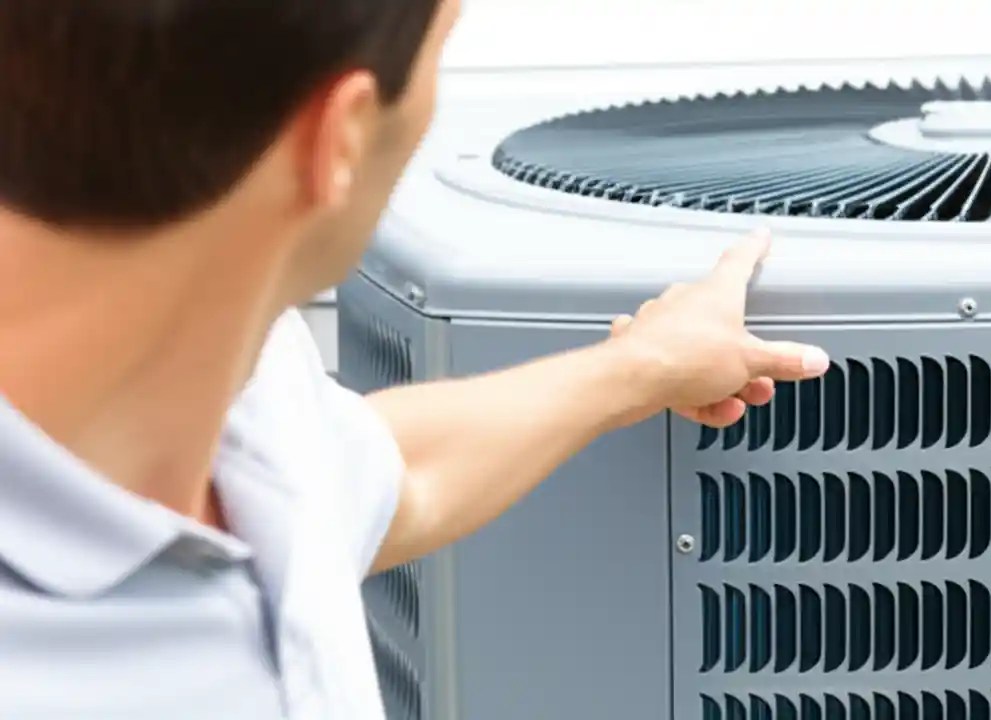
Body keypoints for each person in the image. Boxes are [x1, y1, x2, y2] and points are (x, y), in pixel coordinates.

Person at [0, 1, 830, 717]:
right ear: (340, 138)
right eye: (446, 46)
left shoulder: (240, 374)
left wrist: (645, 366)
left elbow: (381, 476)